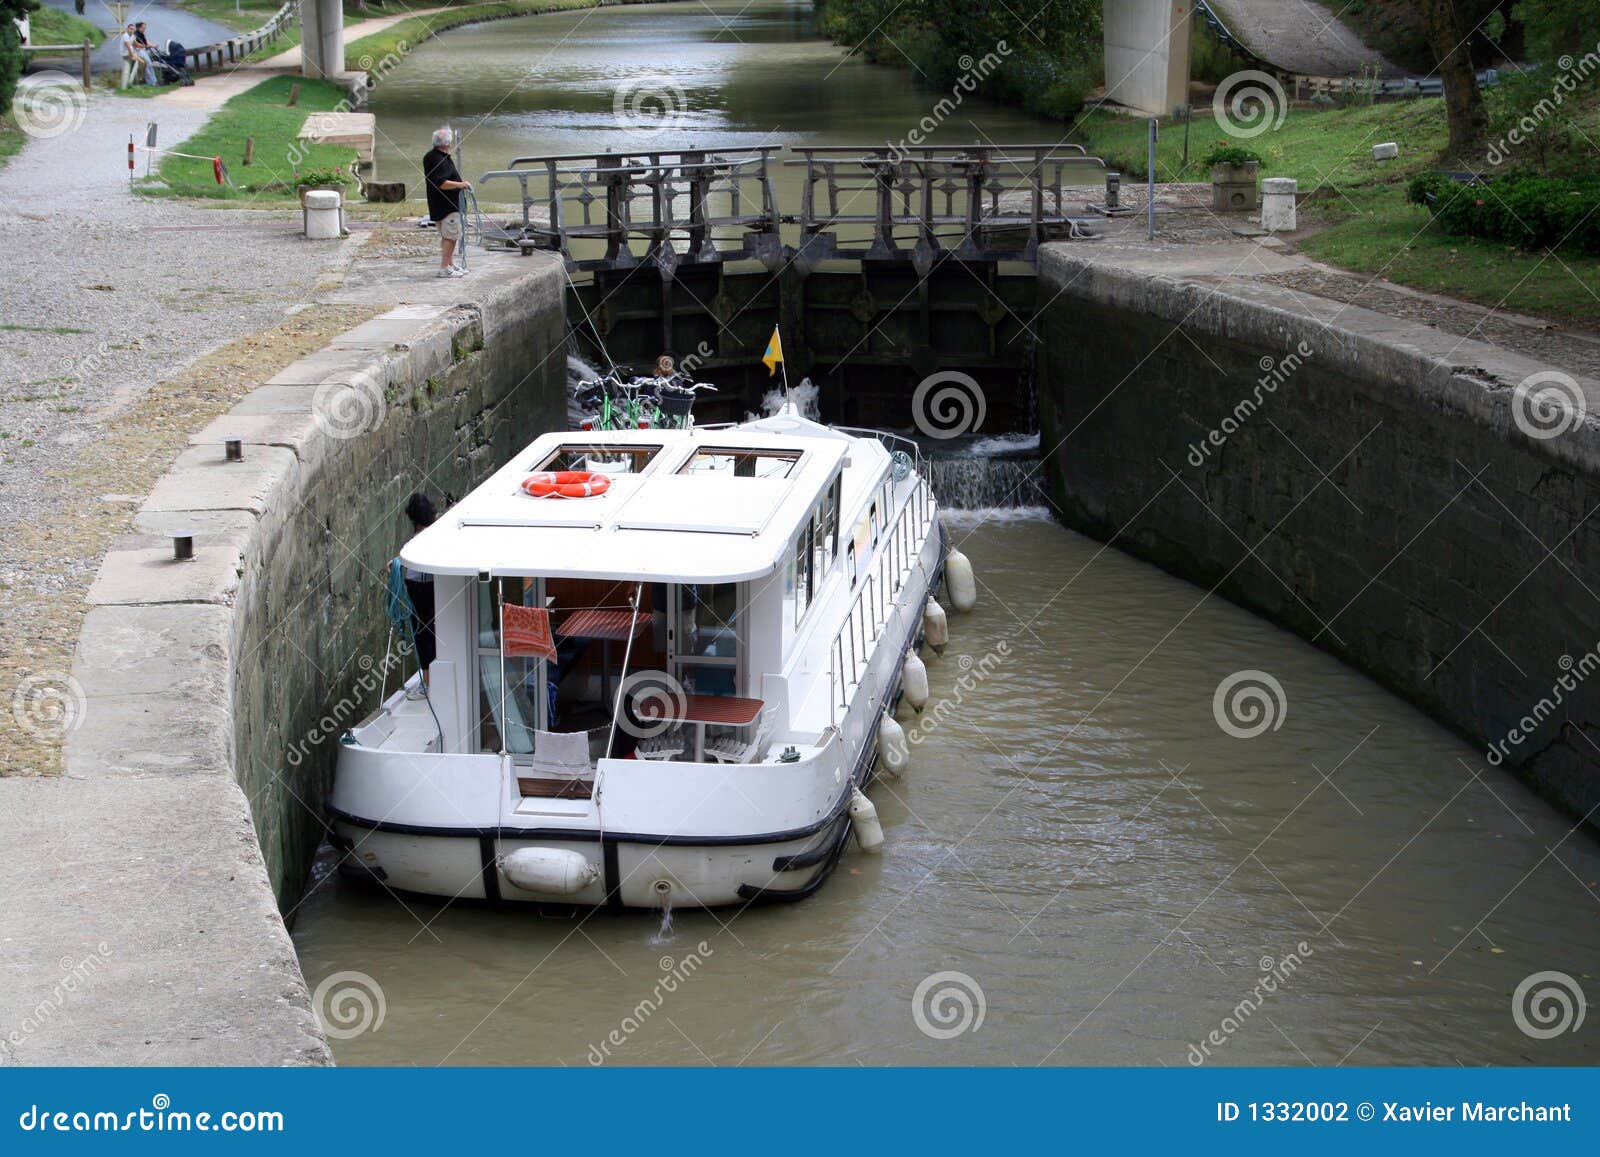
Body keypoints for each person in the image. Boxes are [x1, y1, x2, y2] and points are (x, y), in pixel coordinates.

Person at [422, 128, 472, 279]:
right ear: (448, 143)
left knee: (447, 235)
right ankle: (444, 268)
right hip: (447, 205)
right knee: (451, 236)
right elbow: (442, 183)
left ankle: (450, 264)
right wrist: (461, 185)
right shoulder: (440, 159)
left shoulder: (431, 156)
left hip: (438, 204)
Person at [403, 493, 438, 699]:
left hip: (418, 587)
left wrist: (396, 561)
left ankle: (428, 683)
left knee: (422, 632)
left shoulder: (417, 541)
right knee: (432, 629)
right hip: (434, 586)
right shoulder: (437, 534)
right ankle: (433, 678)